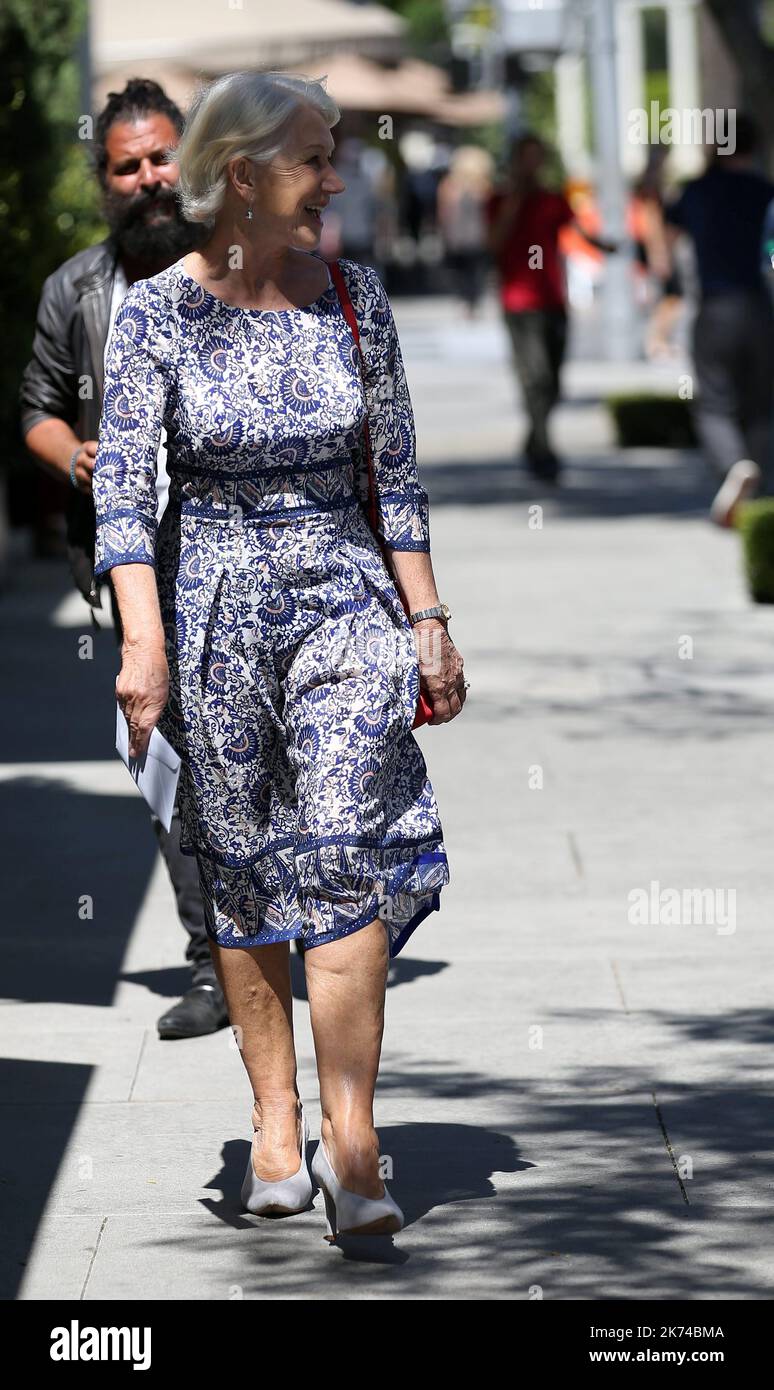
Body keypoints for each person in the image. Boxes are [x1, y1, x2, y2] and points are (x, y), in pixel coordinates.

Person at [91, 70, 465, 1238]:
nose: (337, 176)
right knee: (247, 870)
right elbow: (121, 497)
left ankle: (354, 1141)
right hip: (213, 610)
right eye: (316, 156)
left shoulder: (356, 298)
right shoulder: (154, 313)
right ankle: (273, 1119)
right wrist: (142, 644)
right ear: (244, 175)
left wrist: (430, 621)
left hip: (346, 599)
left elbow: (392, 476)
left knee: (345, 842)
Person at [18, 79, 227, 1041]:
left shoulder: (238, 264)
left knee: (263, 750)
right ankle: (212, 961)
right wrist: (78, 456)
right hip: (135, 560)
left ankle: (302, 929)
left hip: (249, 549)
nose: (148, 179)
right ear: (104, 179)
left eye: (160, 159)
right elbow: (37, 409)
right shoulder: (76, 290)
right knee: (167, 760)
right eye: (127, 165)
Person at [485, 133, 616, 484]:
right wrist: (515, 200)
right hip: (519, 302)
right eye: (525, 158)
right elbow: (493, 242)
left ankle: (534, 440)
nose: (531, 166)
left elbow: (576, 231)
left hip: (554, 299)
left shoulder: (551, 199)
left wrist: (606, 245)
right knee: (535, 377)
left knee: (554, 382)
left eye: (536, 158)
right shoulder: (498, 199)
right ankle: (544, 453)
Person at [664, 114, 774, 527]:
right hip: (759, 306)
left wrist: (669, 282)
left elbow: (667, 239)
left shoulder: (695, 191)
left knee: (713, 400)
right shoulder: (765, 191)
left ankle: (734, 465)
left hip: (714, 307)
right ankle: (762, 491)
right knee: (762, 403)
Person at [436, 145, 493, 317]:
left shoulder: (482, 186)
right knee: (465, 271)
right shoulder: (450, 185)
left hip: (473, 235)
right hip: (463, 235)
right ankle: (467, 300)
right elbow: (444, 210)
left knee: (472, 271)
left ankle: (471, 300)